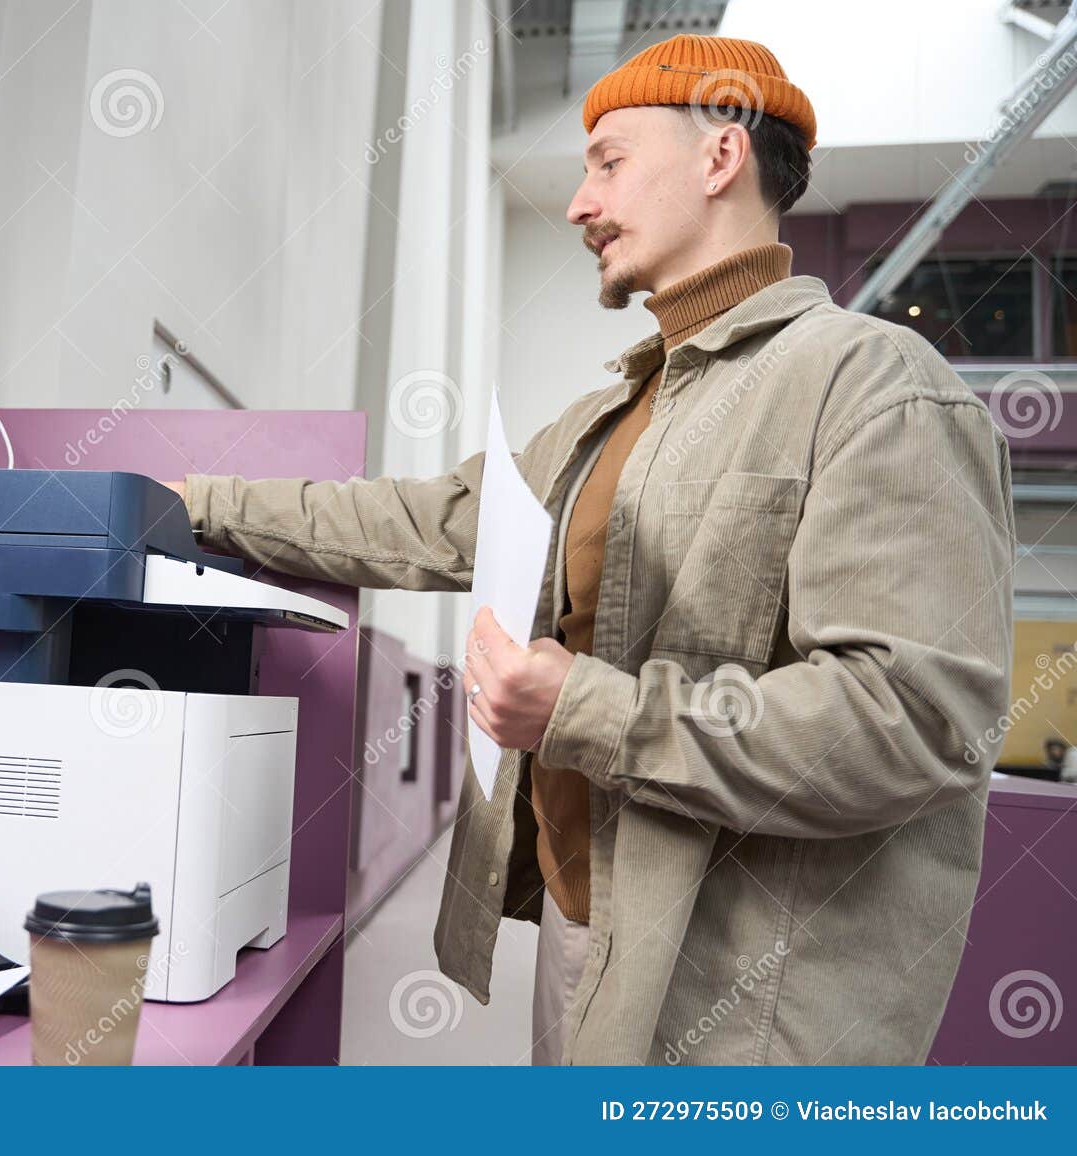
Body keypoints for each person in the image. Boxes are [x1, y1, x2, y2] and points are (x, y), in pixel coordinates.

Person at [166, 34, 1013, 1065]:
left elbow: (915, 721)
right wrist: (187, 501)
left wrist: (586, 709)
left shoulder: (876, 386)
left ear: (719, 158)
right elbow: (425, 521)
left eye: (608, 161)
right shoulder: (605, 417)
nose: (578, 202)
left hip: (751, 1004)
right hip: (588, 939)